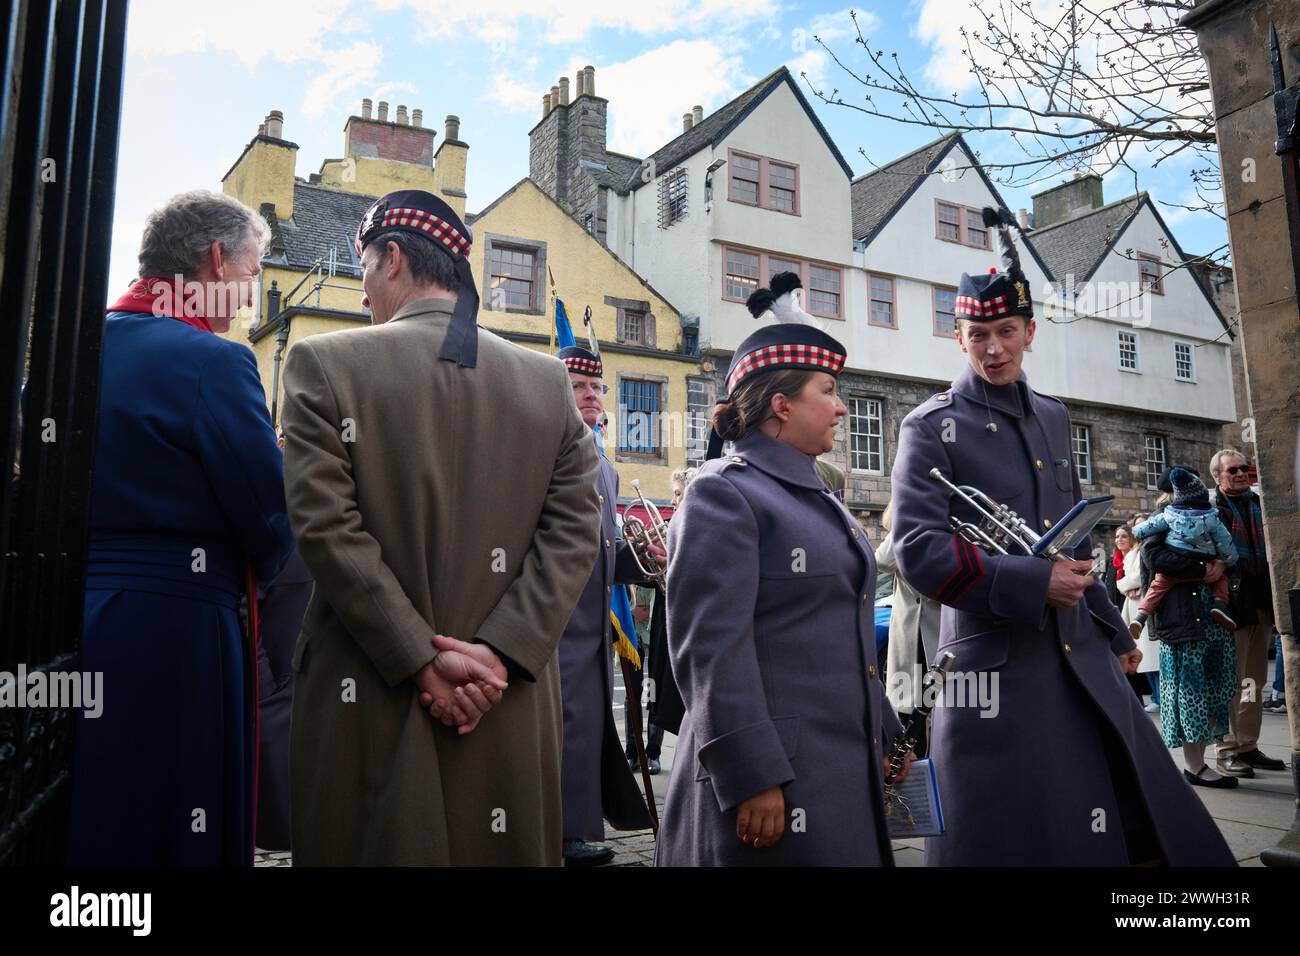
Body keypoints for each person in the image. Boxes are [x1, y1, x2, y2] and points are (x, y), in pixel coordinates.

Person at [890, 206, 1234, 866]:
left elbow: (1073, 540)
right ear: (958, 337)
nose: (993, 347)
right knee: (1005, 839)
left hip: (1080, 655)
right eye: (977, 333)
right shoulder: (929, 427)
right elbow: (918, 551)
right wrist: (1029, 581)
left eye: (1006, 331)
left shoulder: (1053, 416)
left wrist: (1111, 631)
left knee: (1133, 826)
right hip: (992, 672)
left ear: (1030, 332)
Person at [283, 189, 601, 865]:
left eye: (363, 270)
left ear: (392, 258)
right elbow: (576, 530)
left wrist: (422, 663)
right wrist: (500, 653)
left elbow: (326, 530)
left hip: (370, 697)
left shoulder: (322, 363)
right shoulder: (548, 381)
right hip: (504, 702)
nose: (364, 293)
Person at [68, 191, 295, 865]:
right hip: (180, 625)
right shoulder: (214, 362)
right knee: (175, 812)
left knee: (95, 808)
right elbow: (268, 511)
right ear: (216, 261)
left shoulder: (76, 347)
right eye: (251, 277)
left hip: (76, 613)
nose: (249, 299)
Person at [658, 311, 906, 866]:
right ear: (781, 404)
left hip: (837, 767)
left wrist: (886, 730)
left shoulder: (816, 496)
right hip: (774, 782)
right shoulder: (724, 495)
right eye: (829, 391)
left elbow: (841, 632)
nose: (841, 407)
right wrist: (751, 773)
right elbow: (711, 650)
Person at [556, 344, 658, 867]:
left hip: (592, 625)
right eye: (579, 386)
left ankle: (577, 830)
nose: (592, 395)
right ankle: (560, 834)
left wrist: (647, 562)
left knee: (586, 729)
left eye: (597, 387)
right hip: (551, 620)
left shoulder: (605, 466)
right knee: (559, 730)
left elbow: (607, 550)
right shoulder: (540, 448)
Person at [1136, 501, 1240, 790]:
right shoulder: (1162, 522)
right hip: (1183, 620)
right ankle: (1195, 766)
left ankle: (1200, 762)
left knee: (1211, 690)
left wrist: (1223, 562)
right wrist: (1204, 567)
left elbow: (1231, 551)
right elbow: (1155, 559)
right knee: (1189, 694)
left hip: (1212, 619)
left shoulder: (1206, 516)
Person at [1210, 448, 1286, 777]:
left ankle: (1248, 745)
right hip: (1231, 604)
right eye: (1233, 470)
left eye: (1244, 468)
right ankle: (1226, 748)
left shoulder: (1258, 503)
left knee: (1254, 679)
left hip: (1261, 601)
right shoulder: (1211, 509)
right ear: (1217, 477)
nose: (1241, 474)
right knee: (1230, 681)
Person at [624, 468, 692, 773]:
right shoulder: (670, 528)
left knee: (662, 692)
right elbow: (648, 577)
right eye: (674, 493)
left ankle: (652, 752)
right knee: (641, 690)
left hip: (673, 625)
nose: (673, 500)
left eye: (678, 493)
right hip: (648, 626)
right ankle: (634, 750)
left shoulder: (691, 530)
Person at [1130, 468, 1237, 637]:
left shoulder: (1169, 516)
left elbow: (1140, 531)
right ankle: (1220, 604)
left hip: (1201, 613)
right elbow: (1155, 559)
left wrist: (1221, 565)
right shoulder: (1206, 515)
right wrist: (1212, 565)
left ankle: (1141, 615)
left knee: (1158, 585)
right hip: (1181, 613)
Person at [875, 503, 942, 735]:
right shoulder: (911, 522)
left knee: (945, 712)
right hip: (913, 637)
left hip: (937, 636)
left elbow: (883, 559)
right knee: (911, 720)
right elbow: (884, 559)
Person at [1114, 525, 1160, 714]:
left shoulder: (1138, 552)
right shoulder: (1125, 556)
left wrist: (1122, 585)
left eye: (1124, 536)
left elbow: (1135, 579)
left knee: (1150, 656)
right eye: (1117, 536)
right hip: (1133, 607)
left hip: (1141, 607)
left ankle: (1158, 697)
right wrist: (1125, 586)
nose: (1119, 540)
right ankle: (1156, 697)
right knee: (1143, 656)